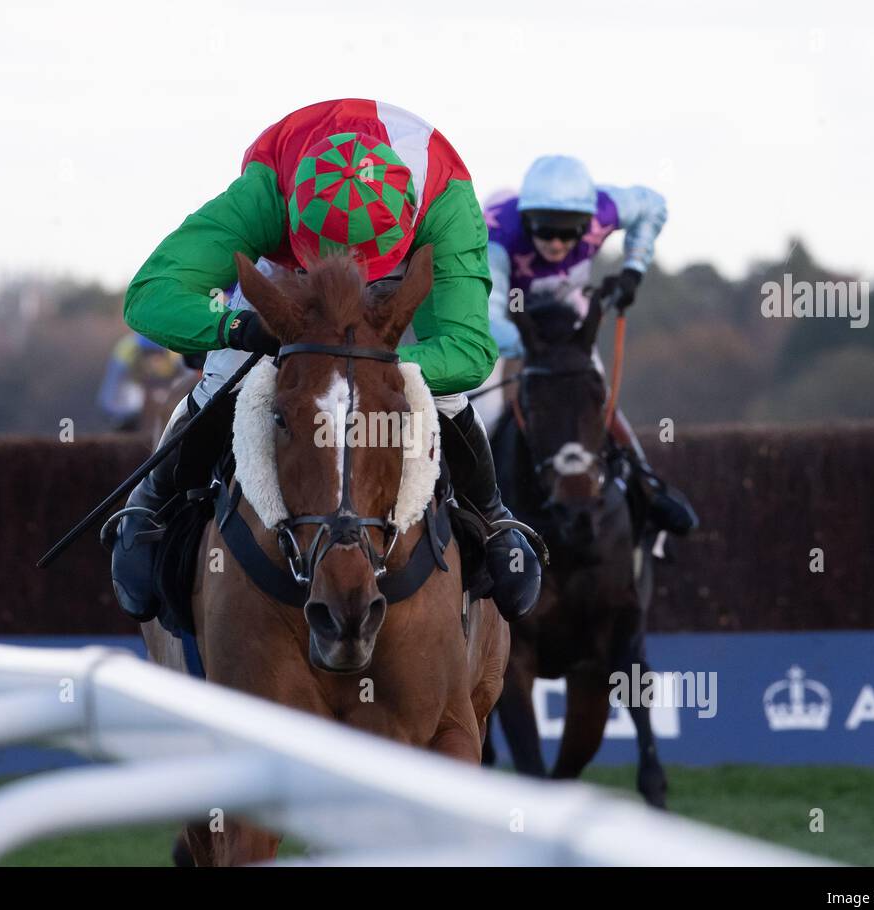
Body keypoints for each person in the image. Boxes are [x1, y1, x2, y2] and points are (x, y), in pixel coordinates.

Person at [112, 98, 541, 624]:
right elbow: (151, 294)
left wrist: (368, 365)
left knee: (445, 390)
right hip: (291, 288)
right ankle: (150, 502)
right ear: (292, 215)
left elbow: (470, 351)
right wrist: (236, 327)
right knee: (226, 370)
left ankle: (492, 515)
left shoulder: (445, 201)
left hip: (388, 299)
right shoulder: (266, 192)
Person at [484, 155, 697, 537]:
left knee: (596, 396)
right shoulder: (498, 236)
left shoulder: (606, 208)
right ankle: (462, 508)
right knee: (478, 411)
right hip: (511, 328)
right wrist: (535, 348)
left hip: (568, 322)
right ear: (526, 220)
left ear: (587, 223)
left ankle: (647, 488)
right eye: (545, 231)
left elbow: (654, 206)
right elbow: (490, 316)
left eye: (569, 233)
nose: (556, 243)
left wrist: (633, 269)